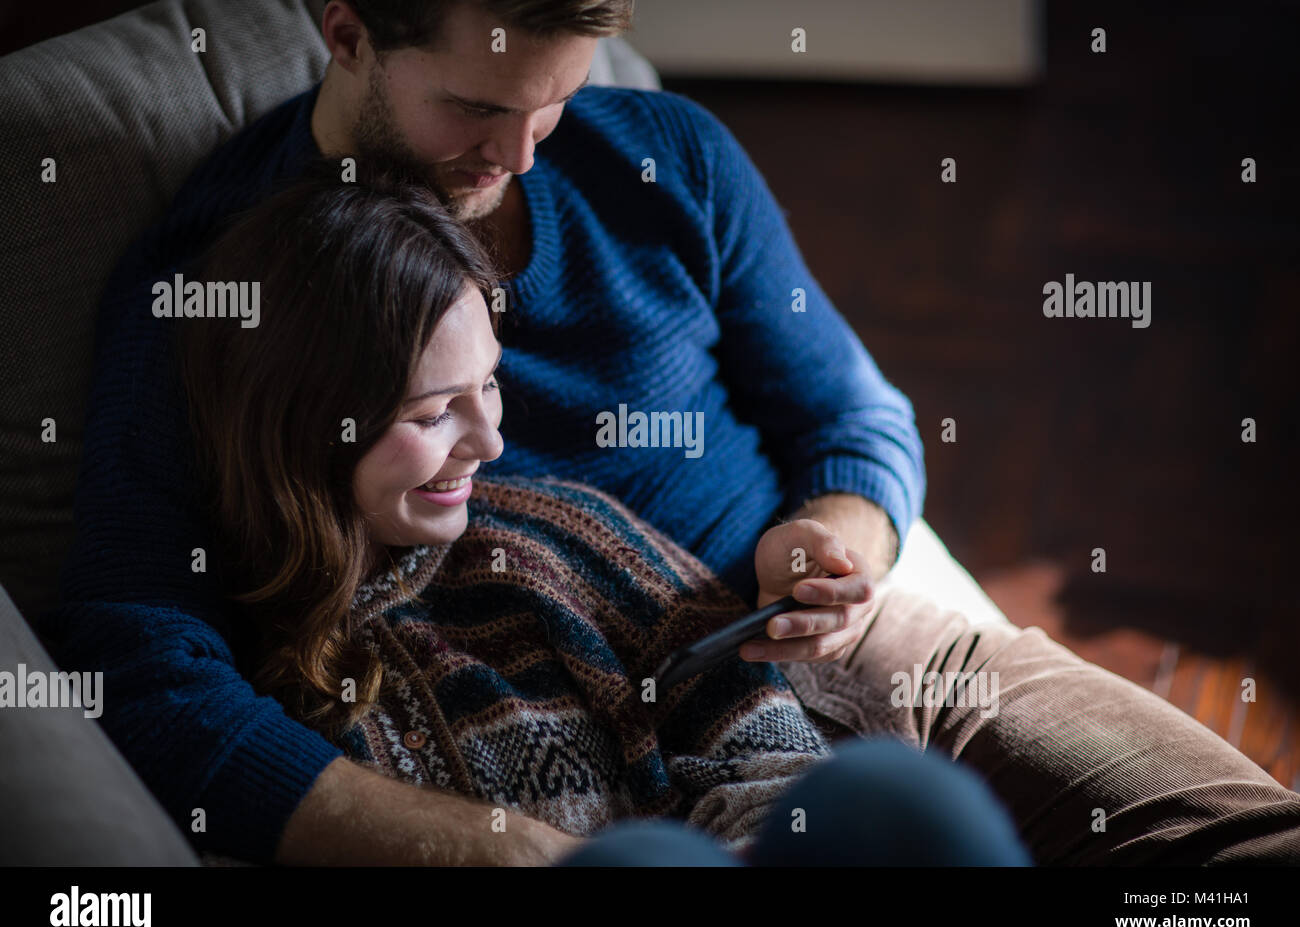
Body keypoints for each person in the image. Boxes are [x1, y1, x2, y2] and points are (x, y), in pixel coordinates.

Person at [44, 0, 1300, 865]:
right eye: (478, 108)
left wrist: (830, 536)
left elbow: (854, 414)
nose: (522, 156)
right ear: (349, 32)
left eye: (553, 102)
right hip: (533, 732)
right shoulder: (211, 286)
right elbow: (138, 655)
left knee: (1237, 845)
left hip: (842, 646)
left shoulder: (665, 157)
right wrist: (488, 850)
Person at [173, 165, 1030, 866]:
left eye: (491, 387)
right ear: (308, 422)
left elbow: (765, 757)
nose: (491, 443)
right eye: (433, 414)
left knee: (886, 793)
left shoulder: (562, 539)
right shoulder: (239, 681)